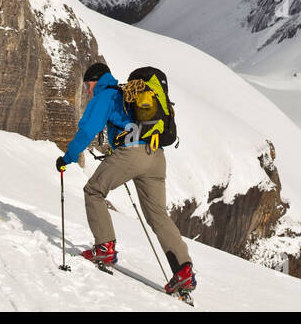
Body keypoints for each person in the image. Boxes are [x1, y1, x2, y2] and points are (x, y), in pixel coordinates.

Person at [56, 62, 196, 294]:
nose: (88, 90)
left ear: (95, 81)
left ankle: (105, 247)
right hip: (155, 156)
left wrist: (67, 157)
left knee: (94, 191)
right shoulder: (127, 94)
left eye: (88, 84)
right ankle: (183, 269)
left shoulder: (106, 96)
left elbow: (88, 130)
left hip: (131, 154)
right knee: (157, 214)